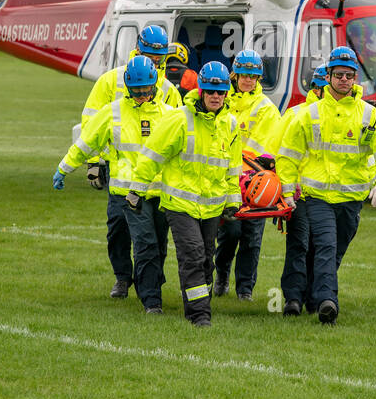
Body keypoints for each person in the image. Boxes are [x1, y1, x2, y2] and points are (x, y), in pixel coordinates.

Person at [276, 47, 376, 324]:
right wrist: (287, 189)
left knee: (335, 250)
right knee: (326, 246)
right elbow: (288, 154)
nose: (344, 80)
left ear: (355, 79)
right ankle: (327, 302)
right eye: (338, 75)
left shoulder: (369, 115)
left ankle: (309, 294)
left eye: (349, 75)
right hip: (316, 197)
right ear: (328, 77)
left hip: (352, 199)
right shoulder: (309, 115)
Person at [54, 56, 173, 309]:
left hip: (160, 194)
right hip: (128, 194)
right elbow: (86, 143)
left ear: (155, 86)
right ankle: (151, 301)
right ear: (128, 88)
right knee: (145, 243)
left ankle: (149, 284)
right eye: (137, 91)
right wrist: (63, 168)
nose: (142, 95)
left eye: (147, 90)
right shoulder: (113, 113)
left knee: (159, 246)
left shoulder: (169, 115)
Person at [130, 61, 243, 327]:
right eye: (211, 91)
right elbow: (151, 156)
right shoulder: (179, 119)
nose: (216, 96)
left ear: (227, 93)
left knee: (205, 260)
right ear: (201, 90)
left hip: (213, 207)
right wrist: (136, 189)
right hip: (180, 205)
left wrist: (233, 200)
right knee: (191, 255)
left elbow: (233, 167)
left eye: (222, 91)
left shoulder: (230, 124)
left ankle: (196, 301)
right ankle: (199, 314)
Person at [213, 49, 283, 301]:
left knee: (252, 238)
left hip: (255, 183)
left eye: (253, 76)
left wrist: (254, 171)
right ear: (235, 73)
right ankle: (220, 275)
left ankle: (245, 289)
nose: (248, 80)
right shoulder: (220, 98)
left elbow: (269, 147)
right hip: (226, 180)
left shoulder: (266, 109)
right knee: (229, 233)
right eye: (244, 75)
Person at [79, 24, 183, 191]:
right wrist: (93, 161)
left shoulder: (169, 90)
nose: (155, 63)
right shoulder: (110, 80)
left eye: (160, 59)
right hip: (117, 167)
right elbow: (92, 124)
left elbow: (178, 132)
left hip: (157, 173)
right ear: (138, 51)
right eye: (151, 58)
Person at [277, 65, 328, 315]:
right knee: (299, 244)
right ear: (315, 88)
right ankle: (293, 298)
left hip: (327, 196)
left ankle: (314, 297)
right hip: (299, 195)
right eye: (321, 87)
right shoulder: (296, 114)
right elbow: (281, 153)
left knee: (321, 248)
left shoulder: (342, 116)